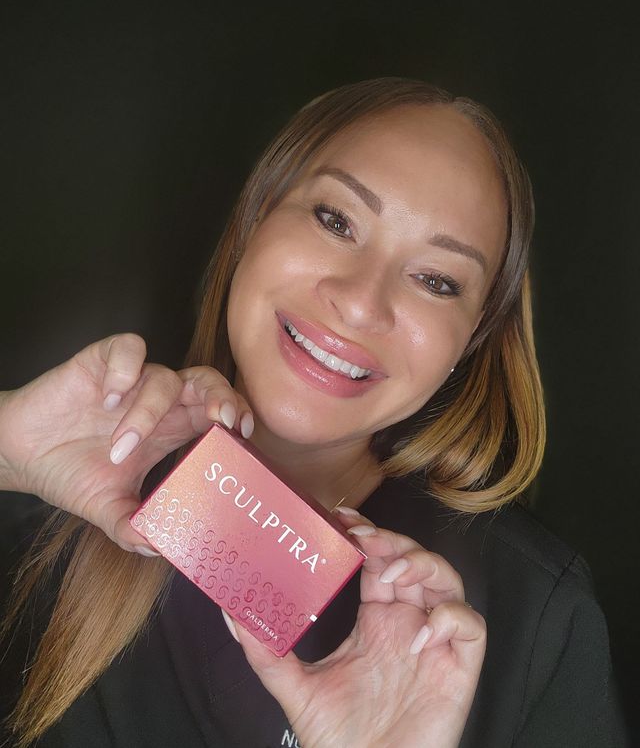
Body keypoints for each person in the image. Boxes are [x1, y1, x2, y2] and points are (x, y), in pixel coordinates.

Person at [0, 78, 626, 747]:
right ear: (255, 220)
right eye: (336, 220)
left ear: (467, 343)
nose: (360, 302)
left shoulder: (537, 620)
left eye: (437, 280)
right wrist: (10, 448)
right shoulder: (47, 493)